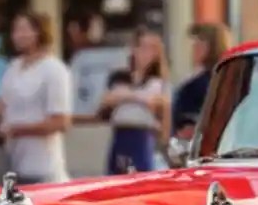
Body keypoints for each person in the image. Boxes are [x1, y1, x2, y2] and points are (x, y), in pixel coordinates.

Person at [0, 11, 73, 184]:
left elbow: (60, 122)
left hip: (44, 170)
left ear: (39, 32)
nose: (17, 35)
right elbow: (0, 105)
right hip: (14, 167)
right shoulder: (13, 67)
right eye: (15, 30)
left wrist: (17, 130)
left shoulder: (54, 69)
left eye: (24, 29)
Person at [97, 27, 170, 174]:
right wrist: (139, 97)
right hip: (121, 135)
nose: (146, 53)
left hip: (143, 138)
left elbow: (159, 104)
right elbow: (107, 100)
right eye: (142, 47)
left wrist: (124, 96)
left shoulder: (159, 82)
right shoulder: (119, 77)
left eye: (151, 49)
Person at [171, 22, 231, 126]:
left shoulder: (208, 83)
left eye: (199, 44)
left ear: (212, 46)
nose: (194, 48)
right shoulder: (195, 77)